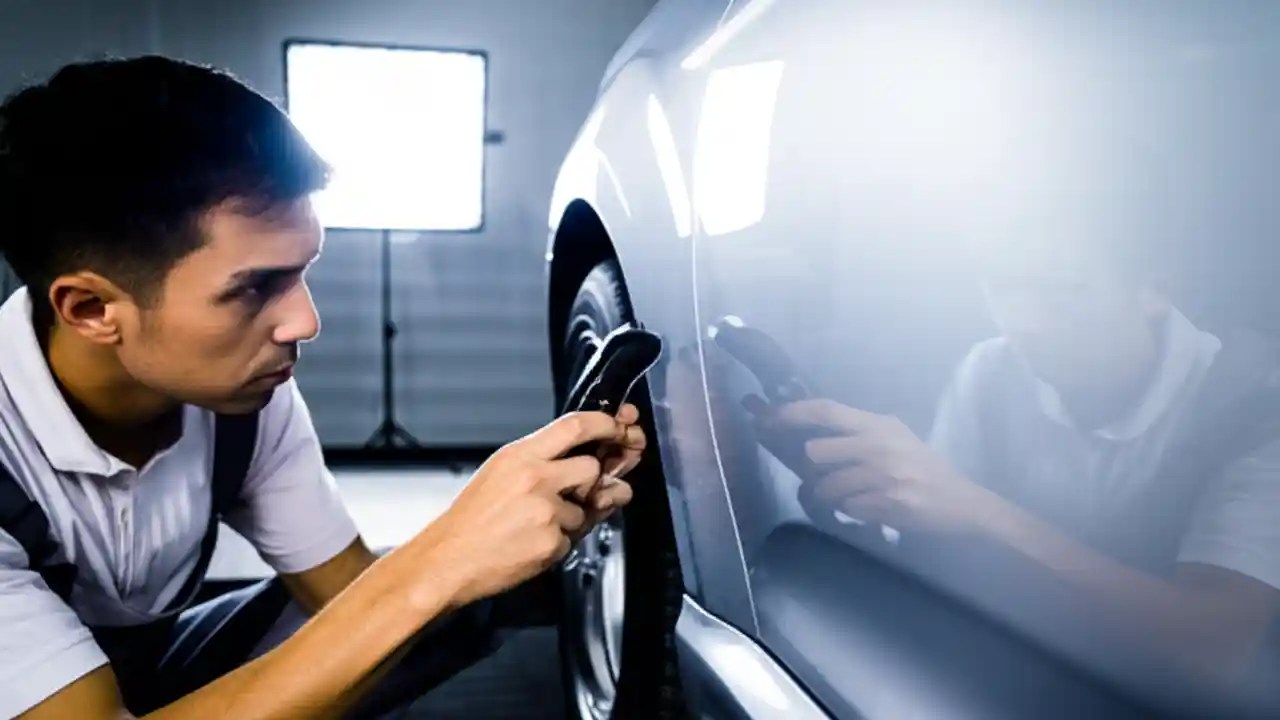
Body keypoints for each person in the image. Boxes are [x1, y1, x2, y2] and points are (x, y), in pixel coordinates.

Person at [0, 56, 644, 718]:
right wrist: (444, 558)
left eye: (301, 271)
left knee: (412, 607)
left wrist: (516, 529)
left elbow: (346, 595)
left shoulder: (246, 399)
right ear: (90, 310)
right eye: (255, 287)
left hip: (142, 666)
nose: (305, 321)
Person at [746, 211, 1280, 696]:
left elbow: (1213, 650)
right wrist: (861, 493)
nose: (1023, 321)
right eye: (1002, 286)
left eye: (1064, 290)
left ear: (1157, 287)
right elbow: (939, 556)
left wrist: (975, 508)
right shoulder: (994, 369)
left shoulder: (1258, 406)